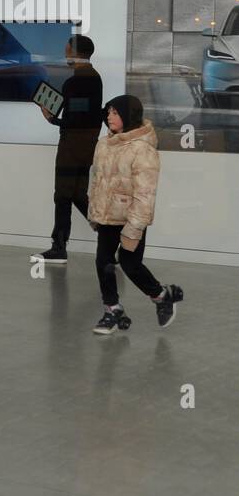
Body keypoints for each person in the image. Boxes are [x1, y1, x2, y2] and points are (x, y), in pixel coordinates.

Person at [87, 94, 183, 334]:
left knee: (130, 264)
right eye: (108, 112)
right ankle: (112, 309)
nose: (109, 117)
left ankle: (161, 296)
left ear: (128, 116)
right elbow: (96, 180)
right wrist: (94, 211)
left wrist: (135, 227)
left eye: (115, 113)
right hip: (108, 217)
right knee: (104, 263)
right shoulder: (103, 144)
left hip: (131, 218)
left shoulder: (143, 149)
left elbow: (145, 193)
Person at [35, 34, 102, 263]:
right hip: (86, 146)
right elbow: (87, 114)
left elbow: (76, 118)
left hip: (72, 146)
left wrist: (51, 119)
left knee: (63, 195)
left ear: (74, 52)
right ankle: (107, 235)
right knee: (76, 195)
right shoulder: (94, 77)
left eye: (66, 50)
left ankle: (59, 247)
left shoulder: (76, 81)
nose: (65, 54)